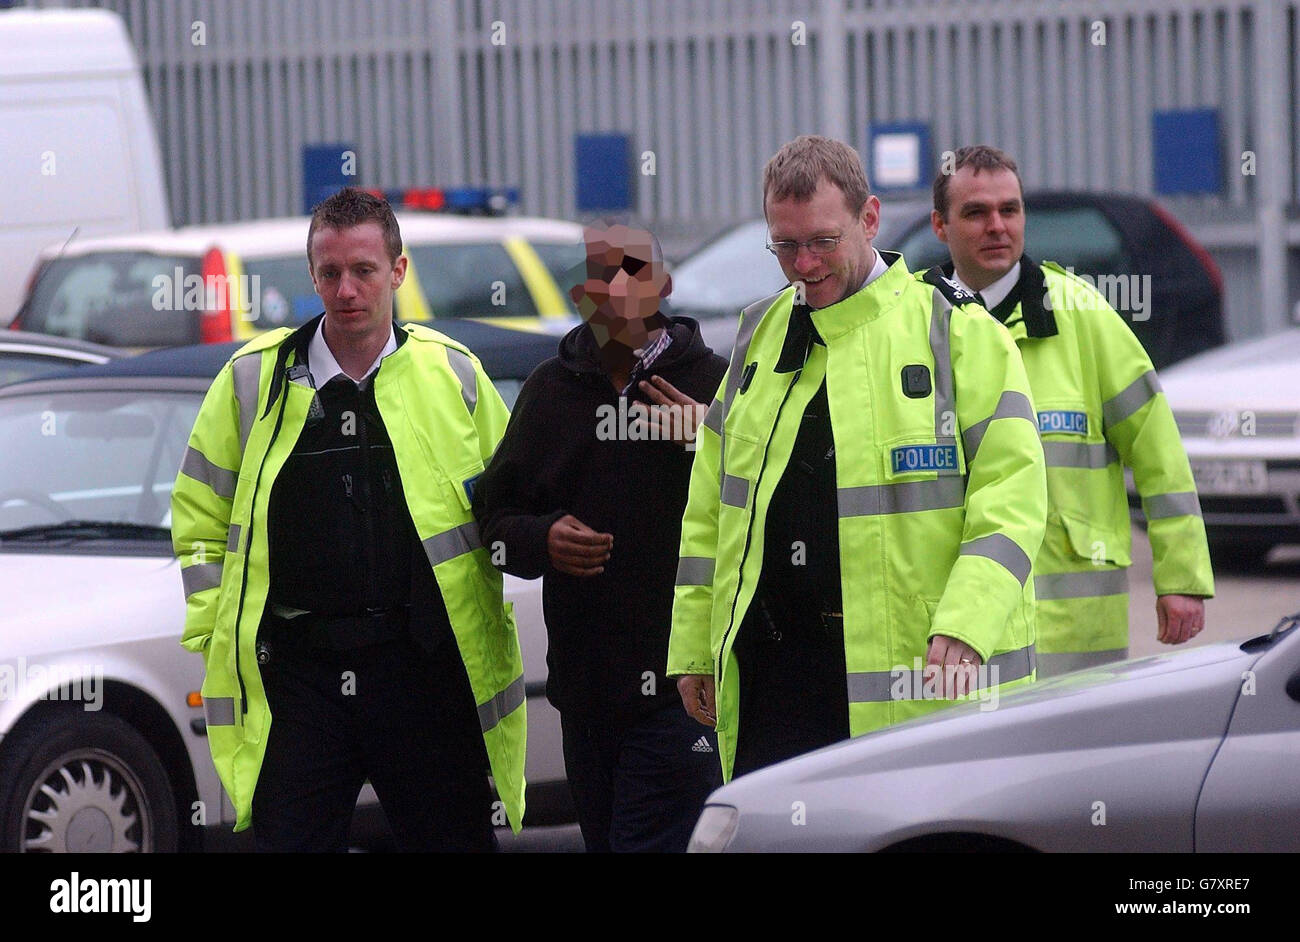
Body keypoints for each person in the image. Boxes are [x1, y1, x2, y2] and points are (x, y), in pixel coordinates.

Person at [668, 135, 1048, 782]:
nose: (804, 265)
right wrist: (692, 648)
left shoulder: (954, 330)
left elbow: (1012, 496)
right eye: (784, 246)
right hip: (773, 682)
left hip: (914, 681)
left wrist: (967, 624)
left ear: (869, 219)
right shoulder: (759, 335)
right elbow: (710, 508)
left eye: (822, 241)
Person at [171, 187, 525, 851]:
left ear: (398, 270)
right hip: (299, 677)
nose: (347, 290)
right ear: (312, 276)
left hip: (420, 672)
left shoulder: (456, 375)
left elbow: (512, 506)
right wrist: (212, 630)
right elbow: (198, 515)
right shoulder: (253, 381)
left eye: (363, 270)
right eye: (330, 273)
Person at [473, 221, 727, 852]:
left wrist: (713, 442)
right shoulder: (551, 390)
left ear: (664, 285)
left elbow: (766, 511)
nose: (615, 288)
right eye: (599, 275)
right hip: (585, 695)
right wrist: (542, 539)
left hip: (683, 691)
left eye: (632, 272)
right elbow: (495, 518)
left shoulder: (715, 385)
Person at [929, 145, 1214, 675]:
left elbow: (1158, 449)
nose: (997, 226)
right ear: (940, 226)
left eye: (1009, 210)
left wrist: (1181, 577)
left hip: (1076, 637)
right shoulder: (914, 322)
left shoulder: (1084, 314)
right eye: (976, 212)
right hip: (956, 630)